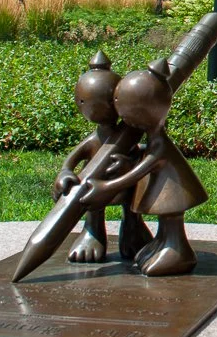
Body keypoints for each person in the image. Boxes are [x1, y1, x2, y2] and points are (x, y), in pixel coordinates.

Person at [81, 57, 207, 276]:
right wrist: (128, 161)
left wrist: (108, 187)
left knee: (171, 219)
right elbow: (138, 165)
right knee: (167, 223)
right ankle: (162, 243)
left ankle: (178, 252)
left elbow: (139, 172)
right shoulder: (151, 142)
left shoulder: (158, 147)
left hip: (172, 187)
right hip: (160, 186)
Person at [55, 50, 152, 263]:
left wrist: (129, 164)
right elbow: (71, 160)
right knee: (93, 207)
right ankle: (92, 231)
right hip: (93, 190)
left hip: (124, 187)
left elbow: (144, 158)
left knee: (132, 202)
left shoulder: (128, 136)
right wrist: (64, 173)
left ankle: (132, 227)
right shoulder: (93, 141)